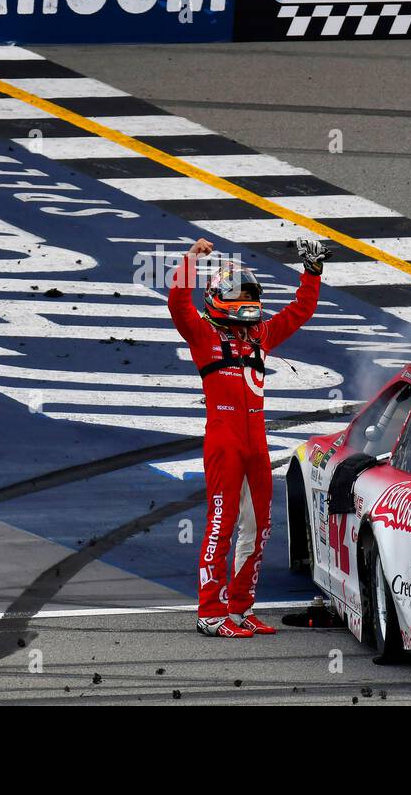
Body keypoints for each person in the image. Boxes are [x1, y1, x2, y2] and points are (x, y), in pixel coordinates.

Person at [168, 236, 328, 637]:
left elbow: (300, 311)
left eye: (251, 292)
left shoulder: (260, 336)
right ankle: (209, 612)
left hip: (257, 444)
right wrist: (189, 261)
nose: (248, 298)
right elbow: (178, 305)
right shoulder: (203, 337)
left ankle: (240, 609)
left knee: (258, 528)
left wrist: (311, 273)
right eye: (240, 292)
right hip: (223, 443)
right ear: (219, 297)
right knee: (221, 523)